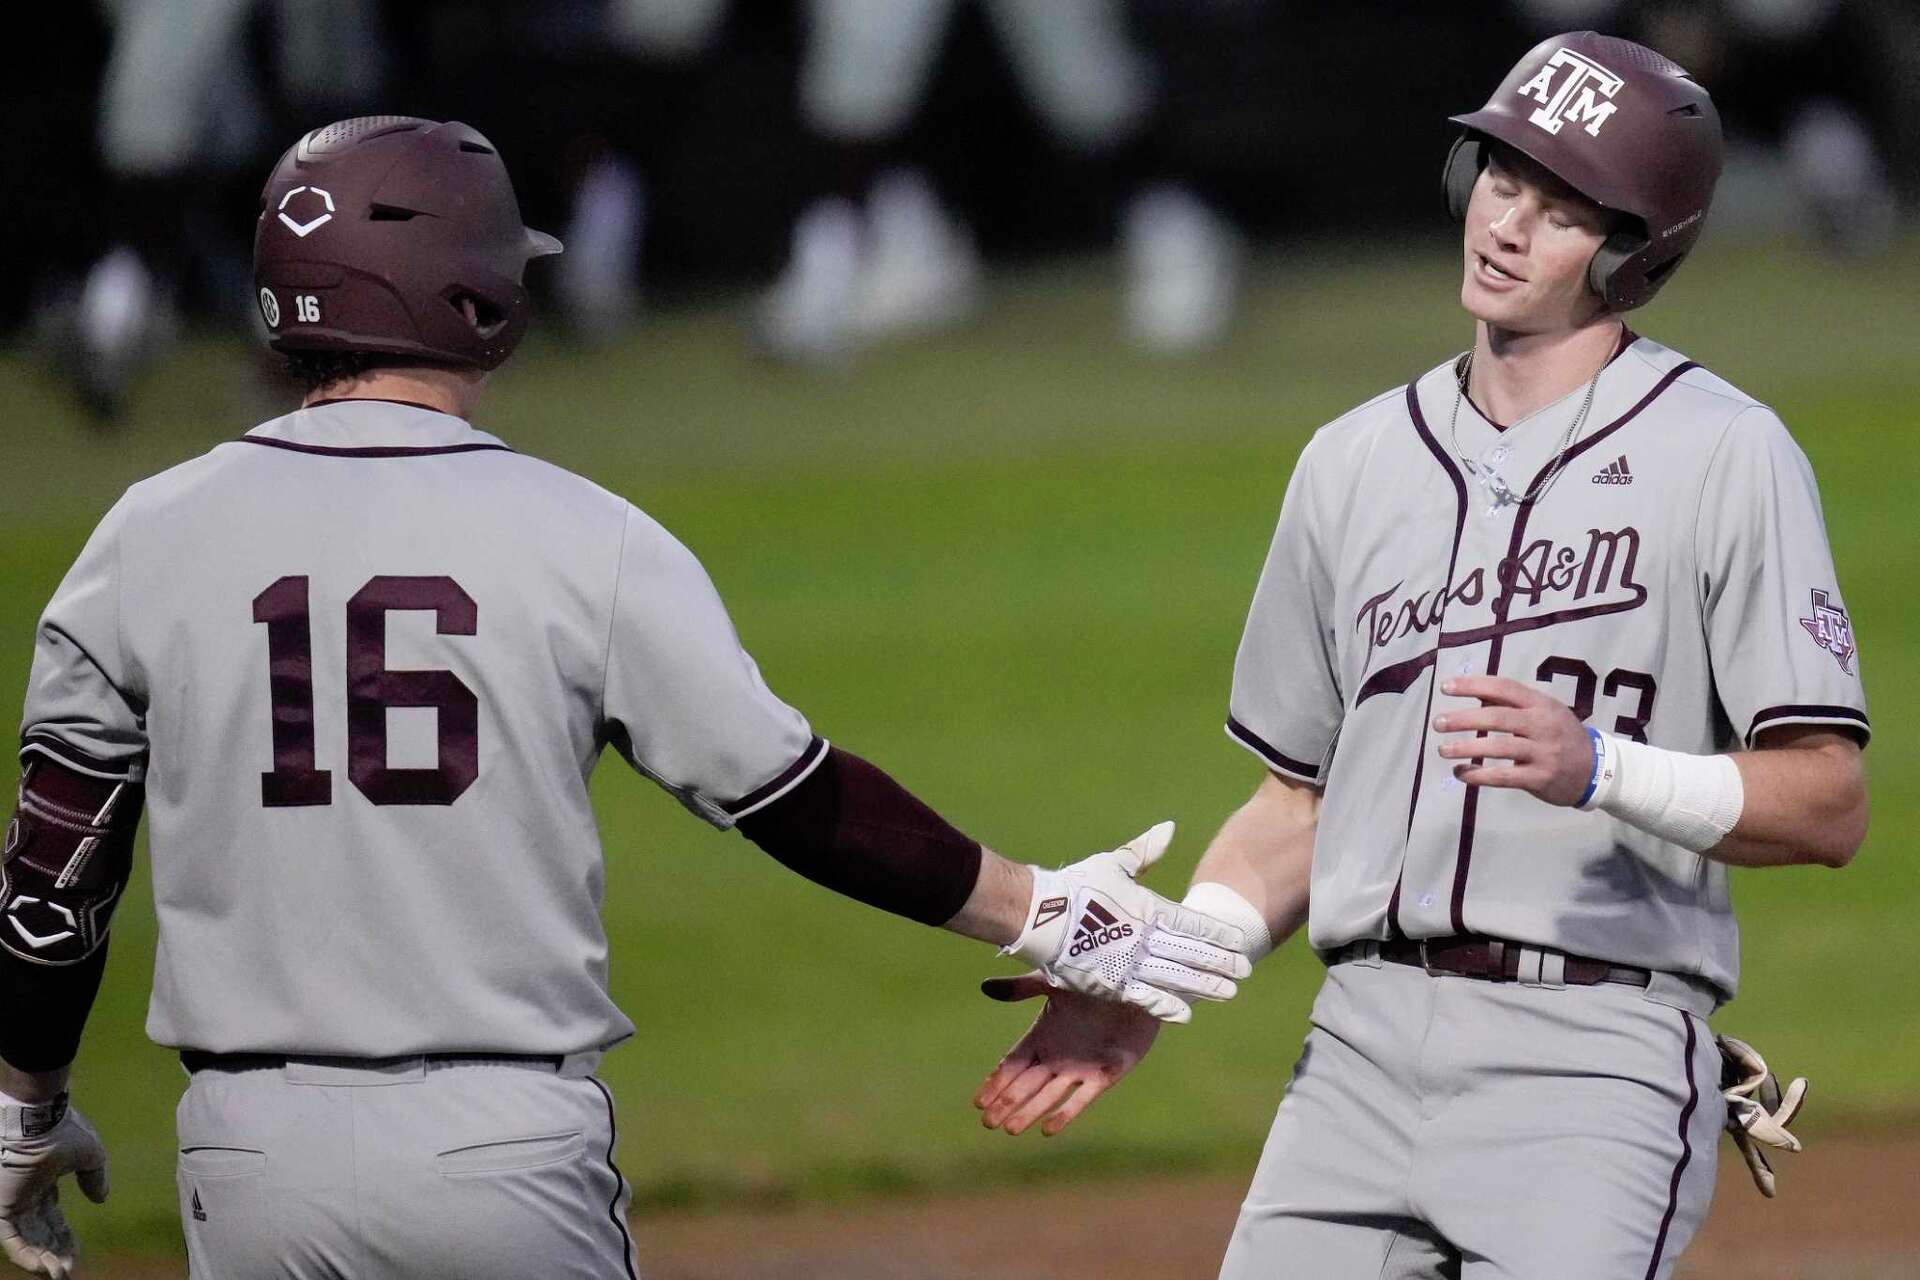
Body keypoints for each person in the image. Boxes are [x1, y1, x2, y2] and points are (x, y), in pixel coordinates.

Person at [0, 116, 1253, 1280]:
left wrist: (26, 1109)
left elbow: (54, 889)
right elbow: (794, 796)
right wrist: (1046, 914)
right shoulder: (584, 537)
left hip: (248, 1156)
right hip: (505, 1151)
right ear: (479, 297)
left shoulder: (142, 537)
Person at [974, 31, 1866, 1279]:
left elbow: (1827, 797)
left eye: (1560, 210)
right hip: (1357, 1054)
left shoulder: (1727, 451)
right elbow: (1300, 802)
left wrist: (1603, 766)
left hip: (1593, 1063)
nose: (1505, 224)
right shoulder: (1351, 462)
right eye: (1500, 177)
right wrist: (1164, 968)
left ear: (1630, 252)